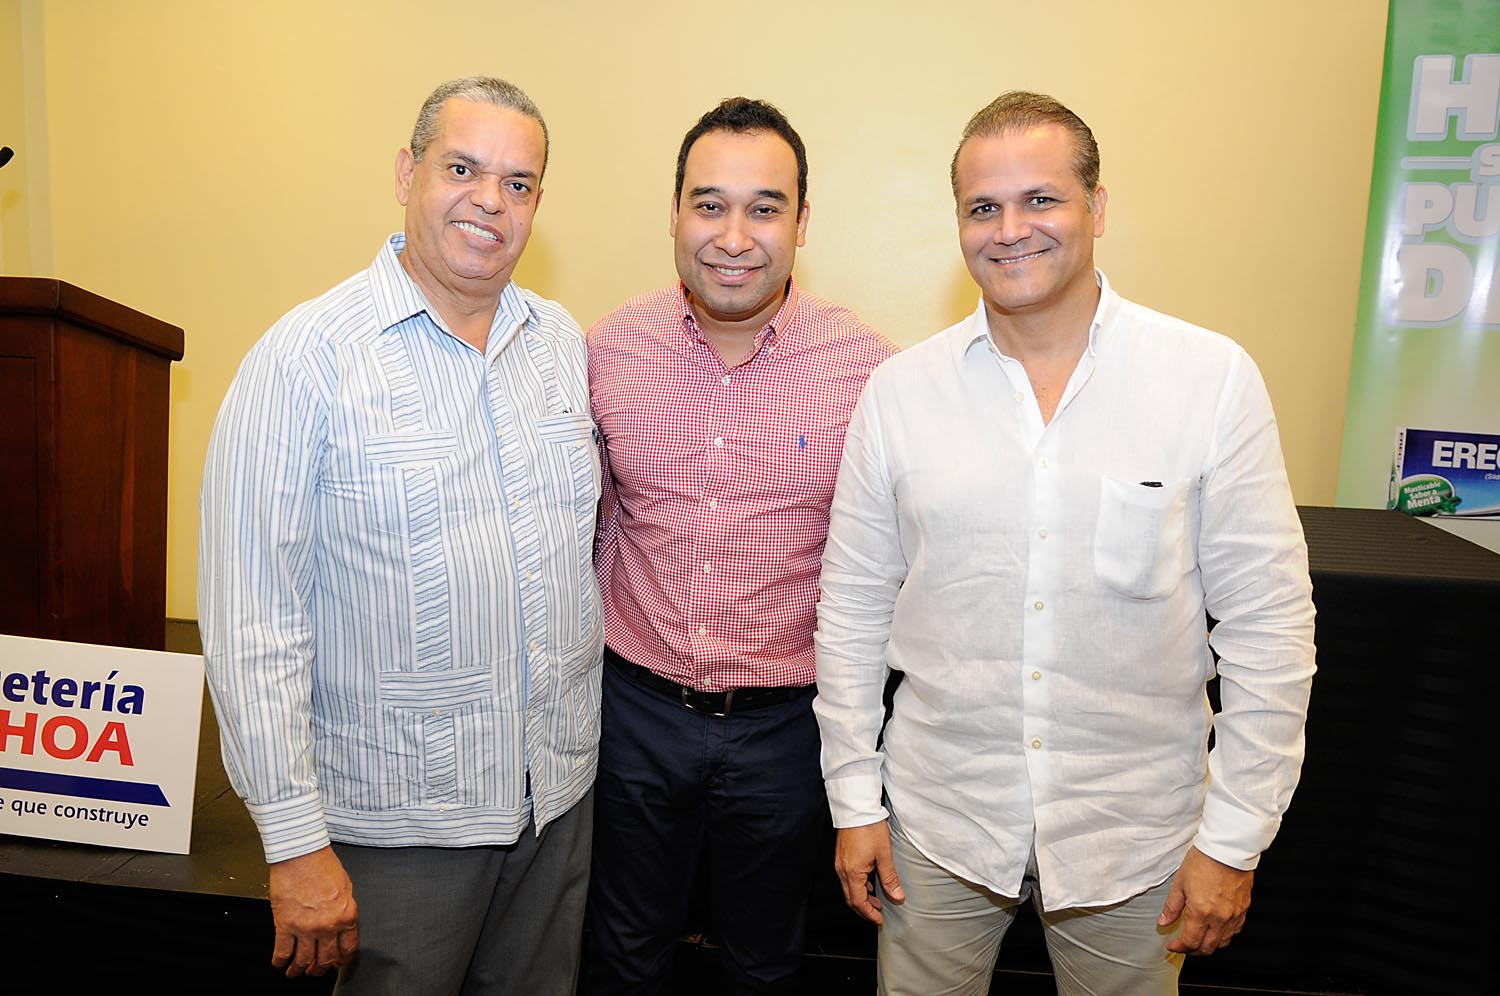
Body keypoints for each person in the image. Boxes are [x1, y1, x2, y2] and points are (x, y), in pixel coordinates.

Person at [813, 91, 1317, 996]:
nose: (1010, 229)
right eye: (983, 207)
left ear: (1097, 206)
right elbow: (849, 612)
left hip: (1139, 838)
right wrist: (854, 800)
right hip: (939, 824)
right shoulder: (898, 394)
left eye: (1040, 199)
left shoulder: (1208, 381)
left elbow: (1271, 630)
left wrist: (1234, 838)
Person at [199, 76, 601, 995]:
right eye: (463, 167)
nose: (489, 201)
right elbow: (253, 619)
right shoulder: (305, 360)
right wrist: (295, 843)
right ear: (405, 172)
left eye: (520, 182)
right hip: (395, 830)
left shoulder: (561, 346)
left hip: (556, 804)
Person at [585, 97, 897, 994]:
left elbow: (888, 569)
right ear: (674, 213)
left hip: (786, 731)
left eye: (764, 207)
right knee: (623, 954)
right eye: (708, 203)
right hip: (632, 716)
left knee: (768, 963)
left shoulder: (868, 370)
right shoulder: (607, 349)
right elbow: (587, 522)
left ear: (803, 222)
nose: (734, 235)